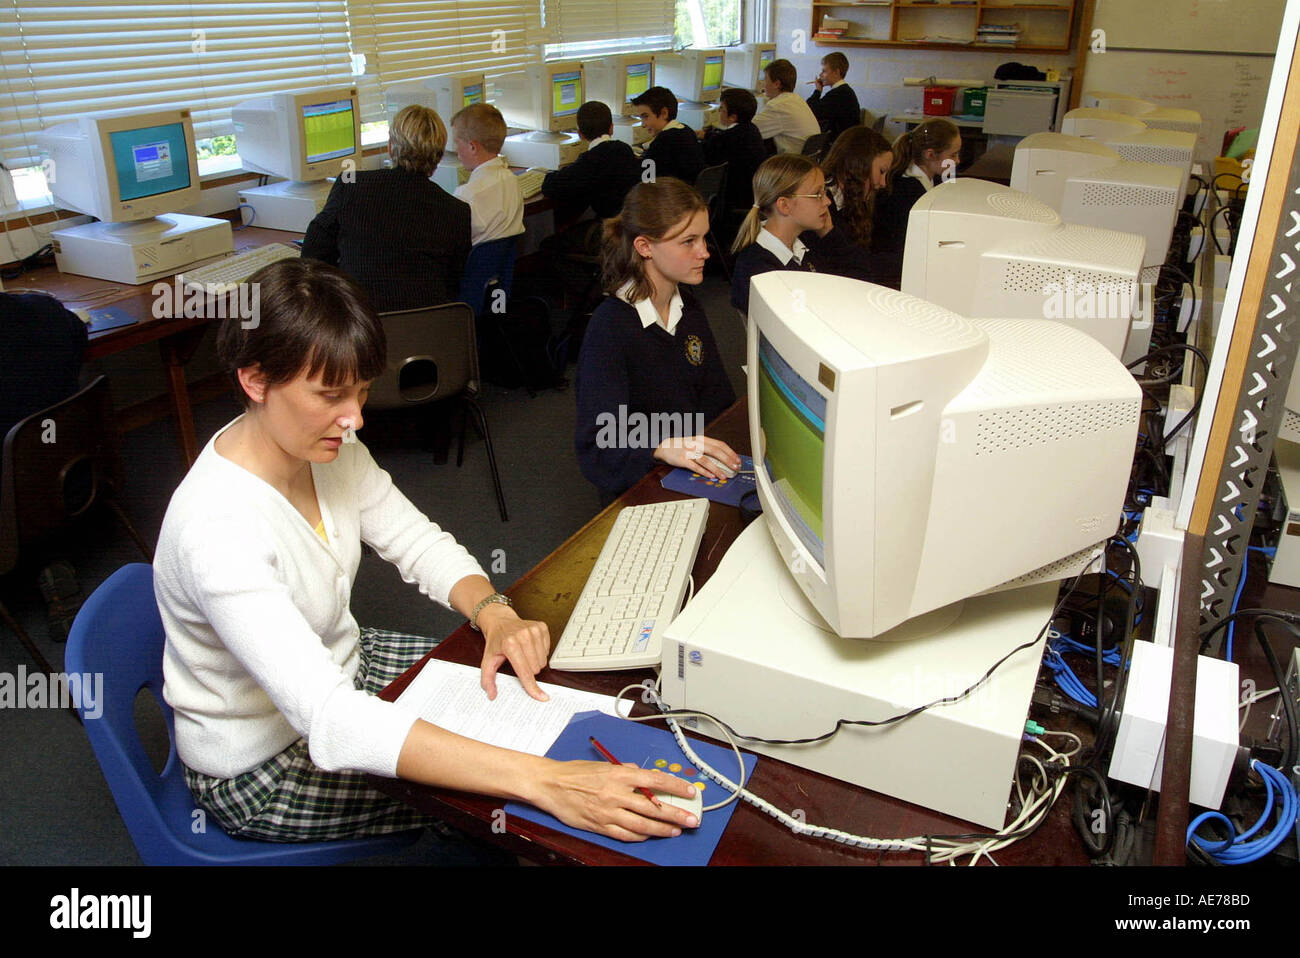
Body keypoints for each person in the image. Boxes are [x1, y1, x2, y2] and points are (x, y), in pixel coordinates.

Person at [155, 258, 700, 845]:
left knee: (536, 705)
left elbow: (415, 542)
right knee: (522, 804)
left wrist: (494, 610)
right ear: (255, 380)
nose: (354, 418)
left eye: (362, 392)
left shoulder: (323, 444)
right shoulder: (216, 531)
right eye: (331, 396)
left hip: (346, 667)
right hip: (262, 765)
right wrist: (545, 783)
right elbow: (334, 721)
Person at [574, 178, 739, 503]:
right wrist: (661, 446)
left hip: (692, 469)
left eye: (704, 238)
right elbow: (597, 446)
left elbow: (718, 399)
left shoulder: (688, 307)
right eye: (688, 241)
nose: (704, 252)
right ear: (645, 247)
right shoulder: (611, 328)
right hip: (643, 479)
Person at [302, 105, 470, 313]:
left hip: (360, 329)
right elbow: (453, 284)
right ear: (439, 155)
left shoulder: (351, 186)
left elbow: (312, 256)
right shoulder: (458, 212)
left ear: (391, 147)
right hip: (427, 332)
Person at [730, 154, 829, 315]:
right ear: (784, 205)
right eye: (818, 194)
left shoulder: (804, 244)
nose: (827, 202)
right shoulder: (759, 268)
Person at [871, 117, 961, 289]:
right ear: (930, 155)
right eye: (952, 155)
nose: (957, 161)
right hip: (893, 270)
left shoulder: (924, 177)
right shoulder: (907, 191)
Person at [800, 126, 895, 285]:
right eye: (881, 171)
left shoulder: (853, 200)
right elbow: (847, 269)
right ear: (858, 165)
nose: (883, 183)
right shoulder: (822, 206)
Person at [541, 100, 642, 221]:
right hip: (629, 224)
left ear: (580, 134)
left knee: (549, 240)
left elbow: (549, 186)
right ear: (611, 128)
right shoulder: (625, 149)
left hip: (608, 229)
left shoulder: (590, 161)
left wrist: (550, 173)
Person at [450, 103, 525, 247]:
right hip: (501, 268)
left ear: (472, 147)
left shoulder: (466, 196)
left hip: (471, 268)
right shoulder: (512, 181)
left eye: (457, 143)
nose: (456, 150)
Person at [700, 87, 767, 225]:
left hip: (734, 201)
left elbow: (708, 154)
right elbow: (725, 137)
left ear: (733, 117)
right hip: (753, 195)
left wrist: (706, 138)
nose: (719, 111)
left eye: (722, 109)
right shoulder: (752, 130)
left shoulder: (726, 140)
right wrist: (709, 135)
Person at [630, 86, 705, 184]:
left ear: (664, 113)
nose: (643, 124)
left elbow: (646, 179)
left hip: (671, 196)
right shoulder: (686, 130)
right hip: (687, 194)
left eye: (645, 117)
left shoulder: (664, 141)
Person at [752, 59, 820, 156]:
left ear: (777, 84)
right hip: (807, 163)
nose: (763, 84)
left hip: (792, 165)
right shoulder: (797, 99)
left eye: (765, 80)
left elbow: (750, 132)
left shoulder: (777, 106)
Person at [805, 52, 860, 147]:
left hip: (840, 147)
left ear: (836, 72)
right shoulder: (844, 91)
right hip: (845, 143)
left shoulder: (838, 94)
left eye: (824, 71)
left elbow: (810, 110)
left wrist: (817, 91)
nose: (820, 75)